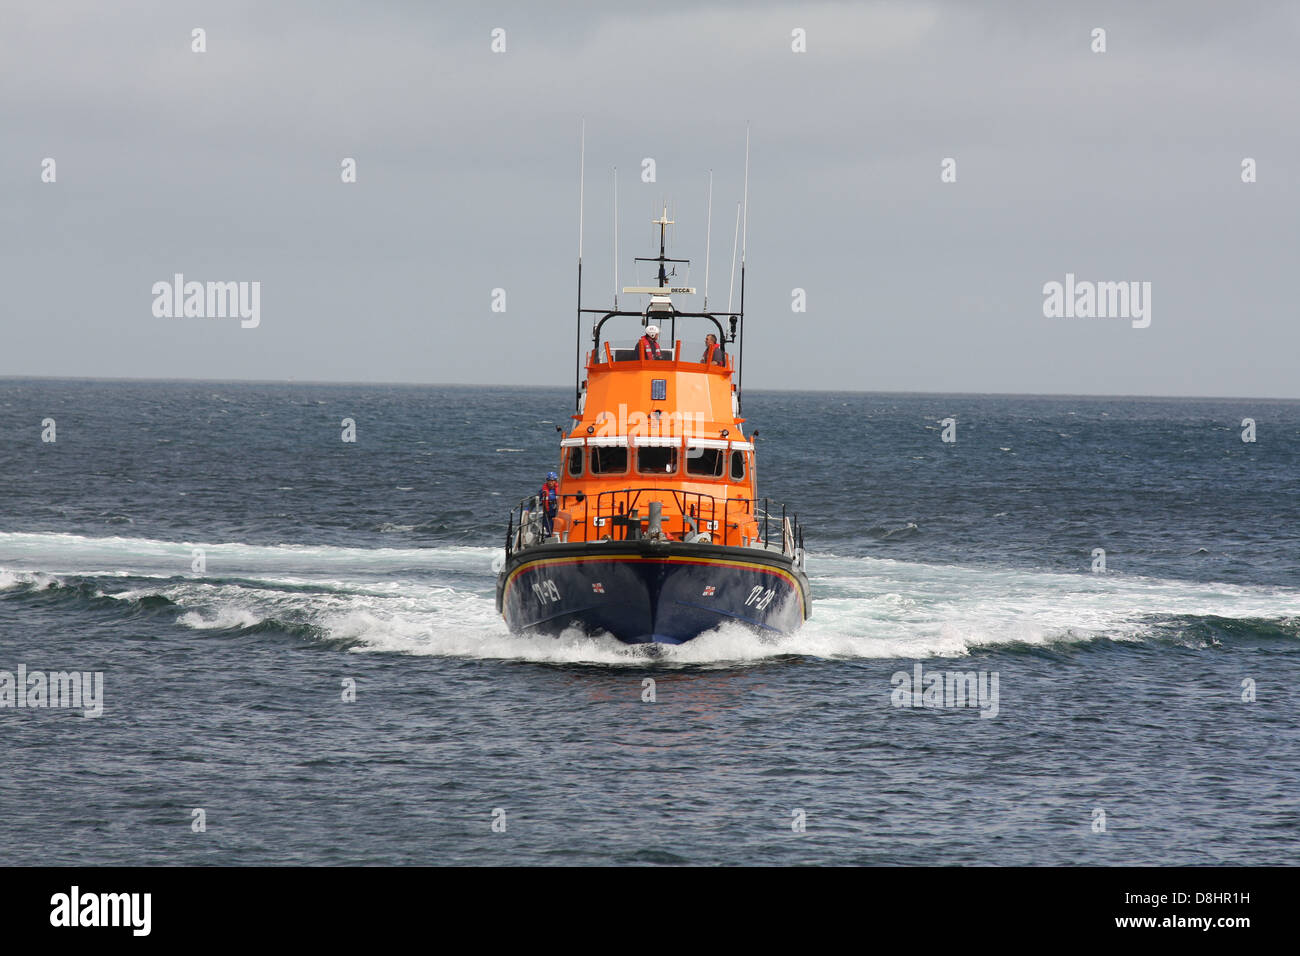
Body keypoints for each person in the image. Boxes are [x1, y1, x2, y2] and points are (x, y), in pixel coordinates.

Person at [538, 471, 559, 536]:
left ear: (555, 481)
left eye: (552, 480)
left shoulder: (560, 489)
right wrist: (528, 509)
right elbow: (535, 499)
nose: (550, 482)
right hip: (547, 514)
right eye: (549, 480)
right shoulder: (543, 491)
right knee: (547, 531)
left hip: (556, 513)